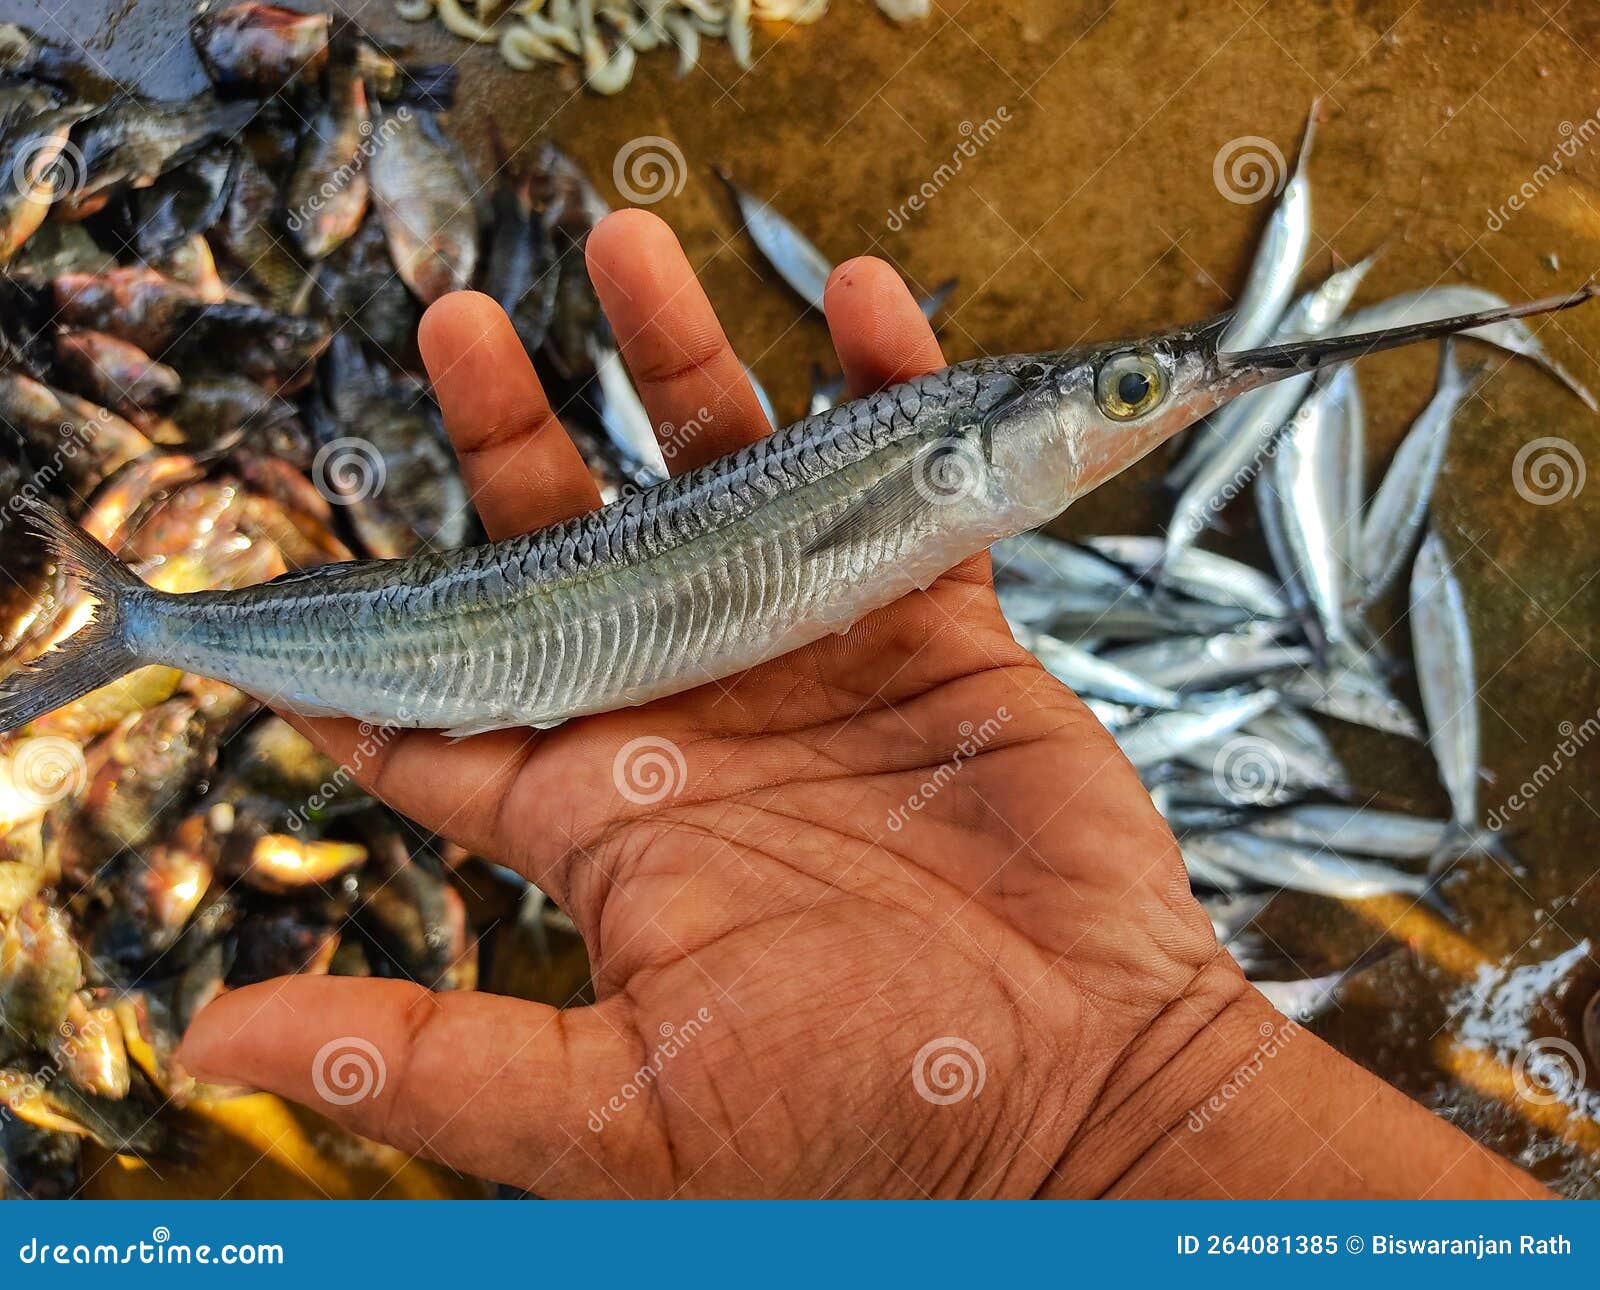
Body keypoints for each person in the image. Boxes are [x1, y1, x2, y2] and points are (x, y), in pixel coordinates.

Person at [179, 209, 1545, 1200]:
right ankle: (152, 623)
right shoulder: (938, 464)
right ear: (974, 453)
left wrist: (1105, 1104)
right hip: (477, 630)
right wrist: (1115, 1112)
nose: (1151, 407)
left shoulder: (969, 490)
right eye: (1129, 393)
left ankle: (159, 625)